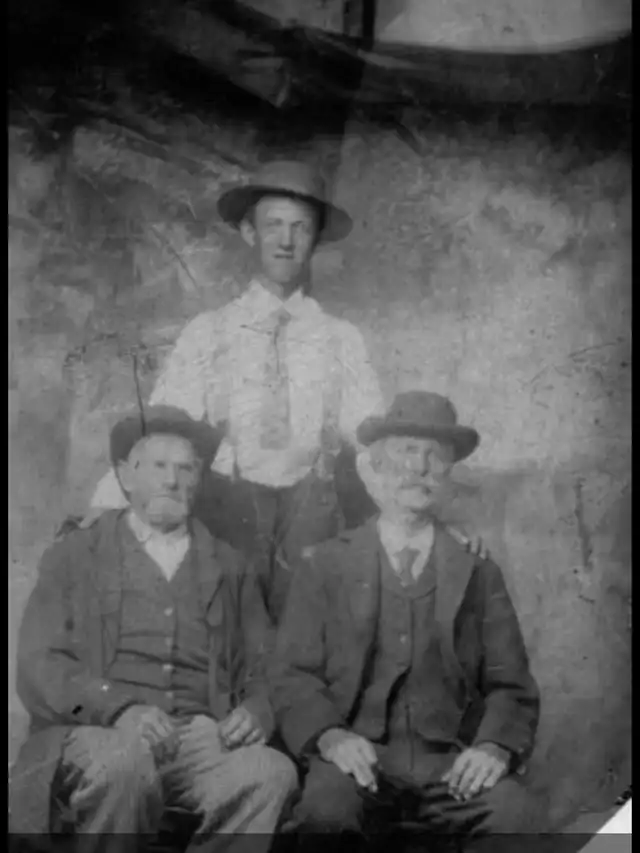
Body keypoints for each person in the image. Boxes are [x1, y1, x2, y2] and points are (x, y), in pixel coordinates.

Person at [89, 160, 386, 625]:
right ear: (250, 233)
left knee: (305, 637)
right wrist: (103, 504)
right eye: (273, 226)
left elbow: (373, 443)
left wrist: (419, 517)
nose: (286, 241)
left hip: (311, 517)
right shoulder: (209, 332)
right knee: (227, 632)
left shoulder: (341, 338)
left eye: (301, 228)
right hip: (229, 512)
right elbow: (162, 428)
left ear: (316, 239)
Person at [9, 406, 297, 852]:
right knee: (123, 764)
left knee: (271, 773)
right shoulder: (76, 556)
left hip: (200, 739)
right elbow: (39, 663)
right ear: (126, 476)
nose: (172, 481)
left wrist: (258, 710)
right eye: (158, 466)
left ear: (199, 479)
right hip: (100, 733)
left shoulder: (230, 565)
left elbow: (269, 664)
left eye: (186, 468)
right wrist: (119, 710)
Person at [270, 391, 543, 851]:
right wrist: (331, 736)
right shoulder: (327, 564)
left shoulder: (477, 570)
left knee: (518, 817)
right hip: (358, 759)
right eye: (407, 451)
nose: (419, 467)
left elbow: (511, 684)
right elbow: (292, 674)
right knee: (325, 813)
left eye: (435, 456)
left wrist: (493, 748)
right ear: (377, 465)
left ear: (449, 474)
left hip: (450, 766)